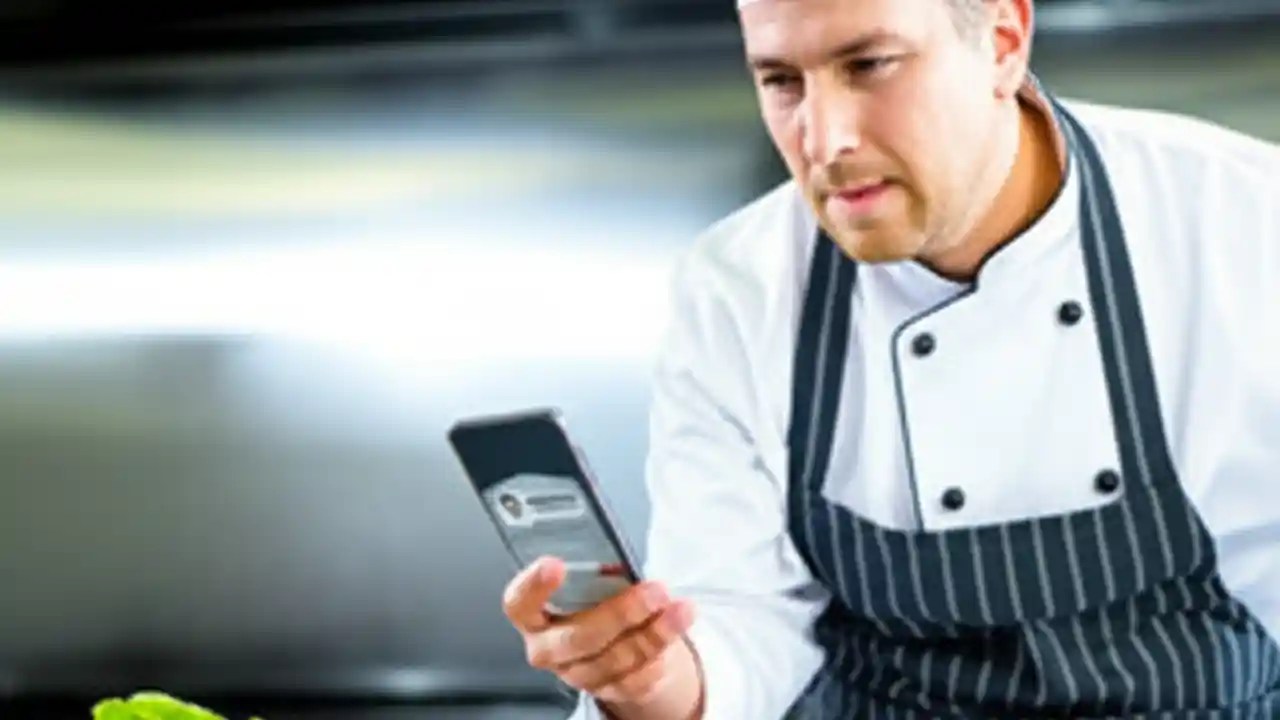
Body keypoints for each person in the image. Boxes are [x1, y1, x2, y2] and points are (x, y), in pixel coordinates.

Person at [501, 0, 1280, 717]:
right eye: (781, 81)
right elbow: (740, 619)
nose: (824, 138)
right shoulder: (737, 288)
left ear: (1004, 42)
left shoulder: (1237, 221)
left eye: (869, 65)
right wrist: (653, 683)